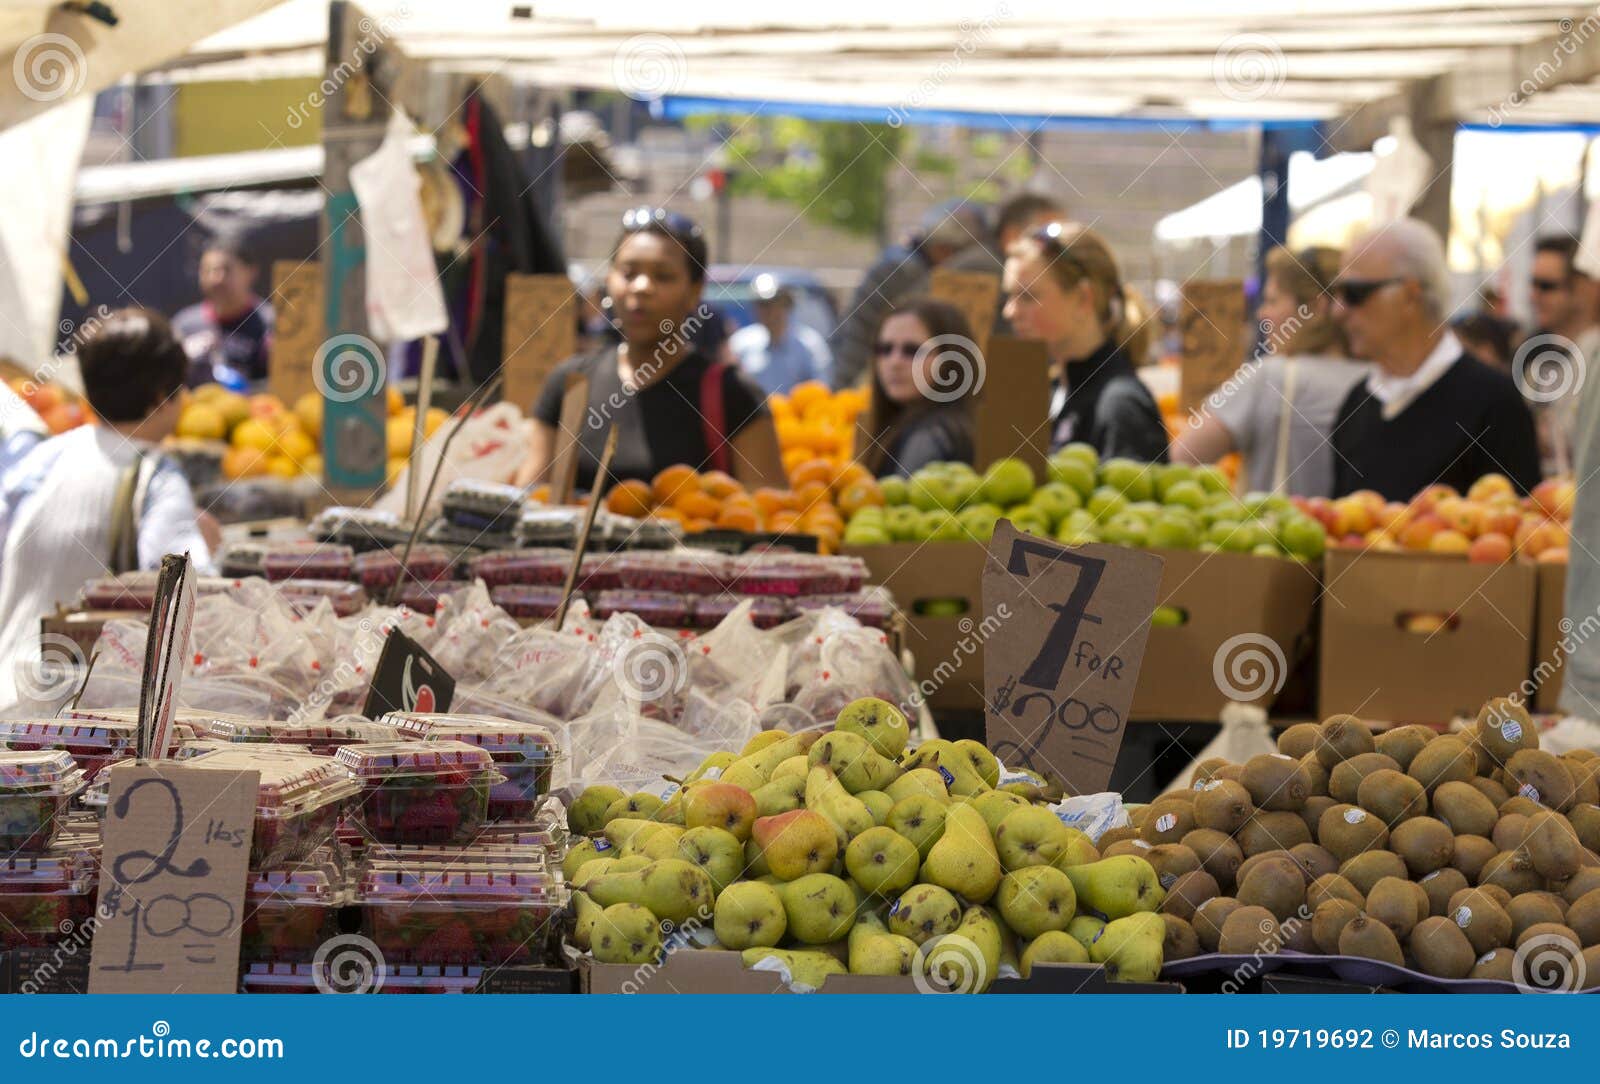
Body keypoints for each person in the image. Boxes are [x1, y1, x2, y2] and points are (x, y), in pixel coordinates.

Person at [0, 309, 215, 707]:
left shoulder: (43, 459)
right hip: (74, 720)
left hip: (7, 694)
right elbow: (189, 592)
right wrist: (205, 544)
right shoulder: (156, 475)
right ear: (160, 396)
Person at [514, 207, 785, 495]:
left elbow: (769, 518)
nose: (641, 288)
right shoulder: (570, 381)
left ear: (694, 292)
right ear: (609, 281)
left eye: (664, 276)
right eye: (628, 273)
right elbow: (532, 497)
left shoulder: (734, 395)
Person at [1329, 218, 1540, 500]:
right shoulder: (1357, 402)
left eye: (1354, 294)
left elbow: (1517, 529)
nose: (1337, 312)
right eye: (1335, 294)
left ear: (1410, 296)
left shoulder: (1494, 404)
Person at [1172, 246, 1369, 496]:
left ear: (1316, 307)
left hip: (1274, 530)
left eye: (1272, 301)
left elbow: (1182, 458)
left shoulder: (1272, 377)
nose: (1262, 313)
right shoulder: (1376, 379)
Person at [1002, 221, 1169, 462]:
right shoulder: (1051, 391)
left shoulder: (1121, 407)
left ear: (1083, 298)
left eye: (1028, 296)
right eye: (1009, 295)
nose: (1010, 312)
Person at [830, 200, 988, 390]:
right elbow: (860, 342)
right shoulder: (906, 272)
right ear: (943, 249)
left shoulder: (905, 264)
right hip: (862, 374)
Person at [857, 298, 979, 477]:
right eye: (885, 349)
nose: (894, 362)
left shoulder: (931, 436)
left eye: (912, 350)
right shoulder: (906, 426)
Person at [1520, 233, 1599, 477]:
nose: (1534, 295)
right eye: (1532, 284)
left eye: (1546, 286)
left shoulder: (1593, 357)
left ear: (1586, 288)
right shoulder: (1538, 365)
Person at [943, 191, 1066, 334]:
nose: (1058, 249)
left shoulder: (985, 261)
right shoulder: (987, 269)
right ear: (1011, 235)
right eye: (1046, 236)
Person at [173, 234, 275, 387]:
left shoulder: (272, 323)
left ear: (251, 272)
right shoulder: (184, 325)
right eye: (207, 271)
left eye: (225, 270)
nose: (216, 279)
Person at [728, 276, 833, 394]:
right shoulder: (740, 344)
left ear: (787, 305)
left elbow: (821, 391)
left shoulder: (811, 346)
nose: (768, 312)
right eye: (761, 304)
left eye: (773, 303)